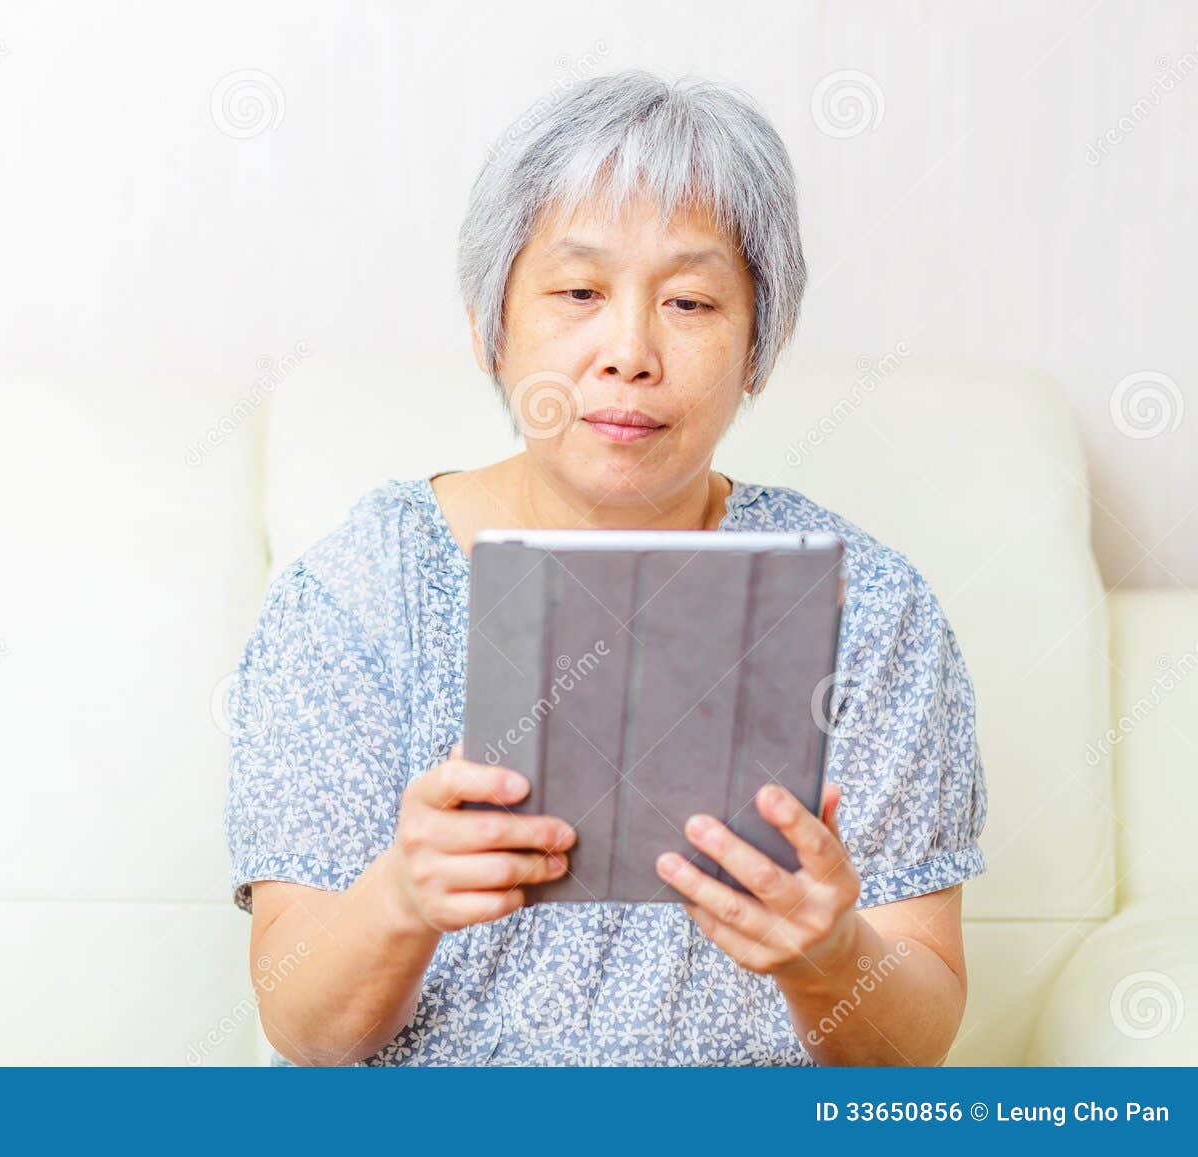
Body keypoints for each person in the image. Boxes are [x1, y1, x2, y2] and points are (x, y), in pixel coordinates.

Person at [224, 69, 988, 1066]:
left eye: (690, 300)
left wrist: (831, 957)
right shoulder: (357, 595)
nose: (629, 352)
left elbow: (911, 1047)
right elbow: (304, 1030)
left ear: (758, 347)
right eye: (579, 291)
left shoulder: (871, 608)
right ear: (490, 326)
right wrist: (400, 898)